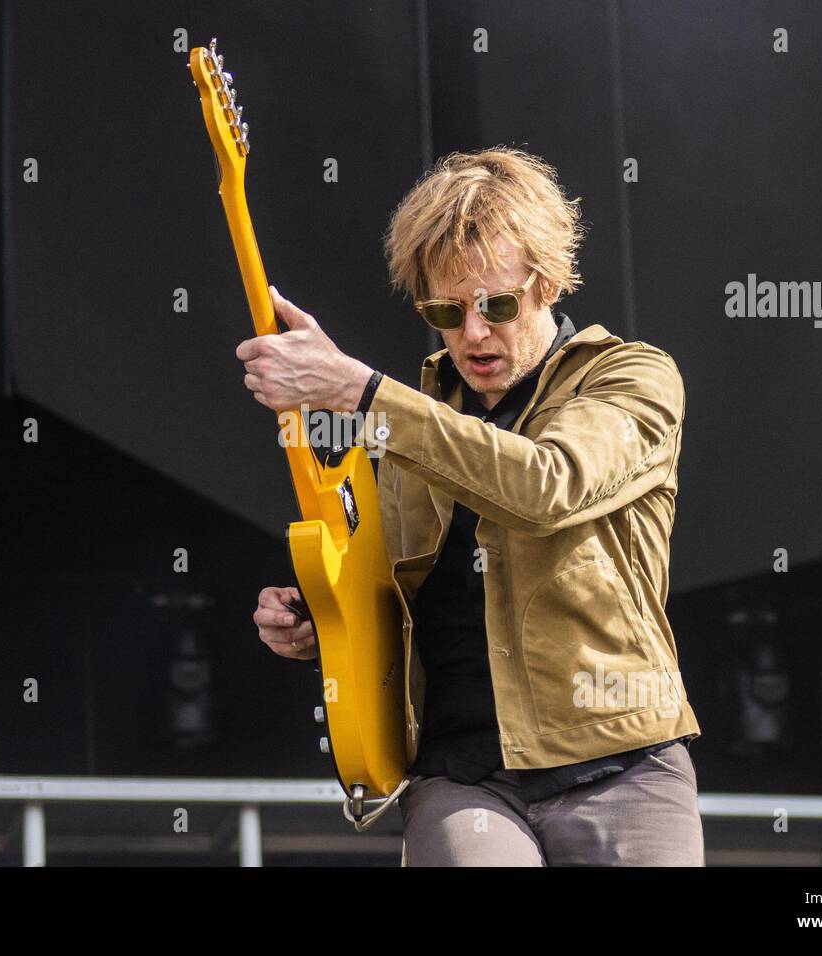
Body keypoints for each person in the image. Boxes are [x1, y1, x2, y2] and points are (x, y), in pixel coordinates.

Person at [244, 147, 703, 866]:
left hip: (622, 762)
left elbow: (547, 485)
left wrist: (362, 393)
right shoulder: (410, 421)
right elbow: (390, 601)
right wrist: (319, 618)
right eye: (445, 311)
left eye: (495, 304)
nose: (473, 333)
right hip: (461, 775)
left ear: (547, 283)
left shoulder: (631, 376)